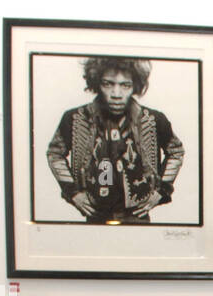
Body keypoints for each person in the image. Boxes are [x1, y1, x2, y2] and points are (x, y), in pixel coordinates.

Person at [46, 57, 184, 224]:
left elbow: (175, 152)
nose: (116, 94)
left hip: (137, 215)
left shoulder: (154, 119)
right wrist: (73, 192)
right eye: (108, 84)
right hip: (95, 212)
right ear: (97, 84)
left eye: (125, 85)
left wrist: (161, 191)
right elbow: (55, 153)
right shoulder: (75, 118)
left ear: (135, 86)